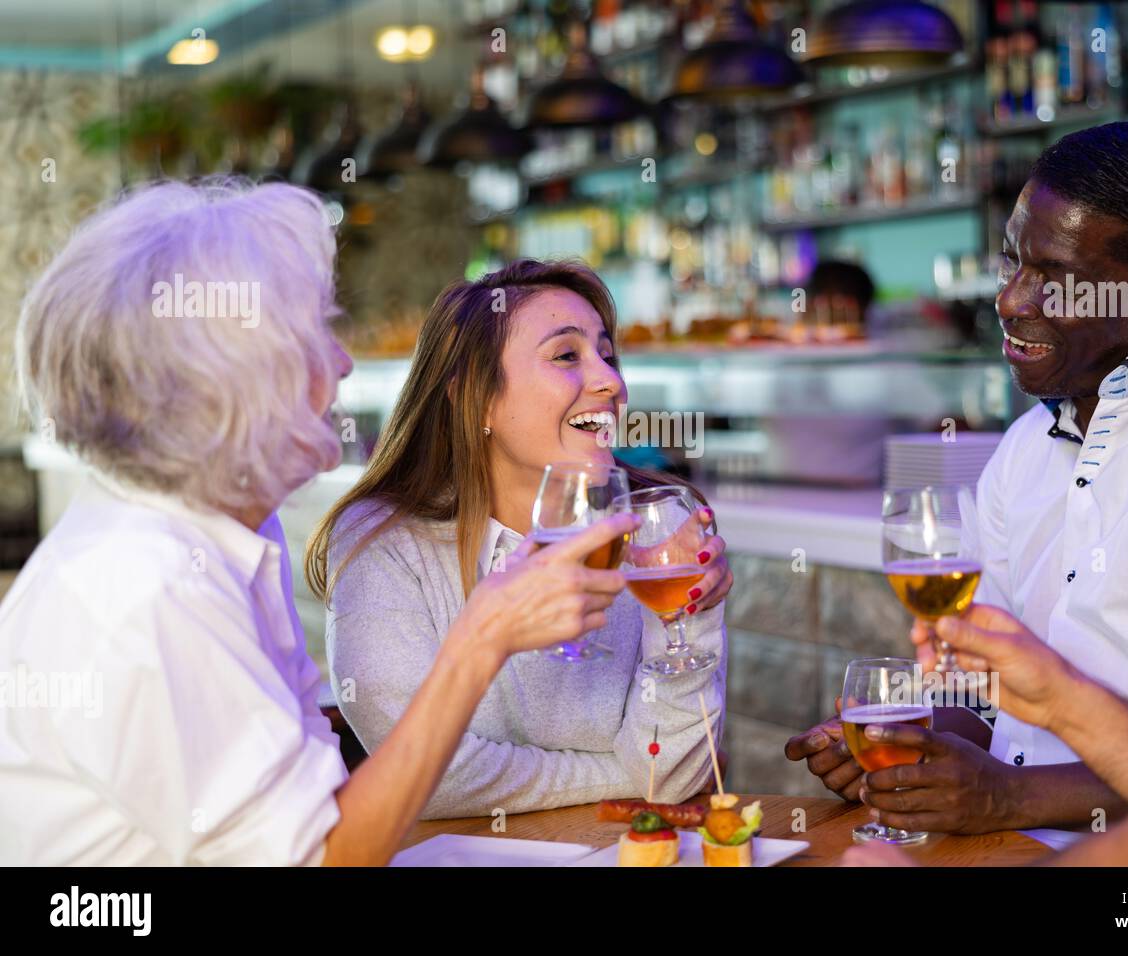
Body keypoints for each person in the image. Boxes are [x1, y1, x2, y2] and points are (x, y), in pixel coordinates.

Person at [0, 179, 636, 865]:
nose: (343, 361)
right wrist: (481, 640)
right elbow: (321, 858)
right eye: (315, 335)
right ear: (227, 379)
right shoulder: (147, 588)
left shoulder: (226, 536)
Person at [842, 35, 1128, 868]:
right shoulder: (1026, 447)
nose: (1011, 299)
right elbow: (988, 692)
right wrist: (910, 747)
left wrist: (1013, 787)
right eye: (1012, 259)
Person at [307, 259, 731, 818]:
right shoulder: (383, 542)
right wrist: (624, 777)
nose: (612, 381)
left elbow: (671, 769)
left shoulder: (661, 530)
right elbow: (425, 779)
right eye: (566, 356)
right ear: (475, 397)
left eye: (607, 354)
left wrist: (690, 618)